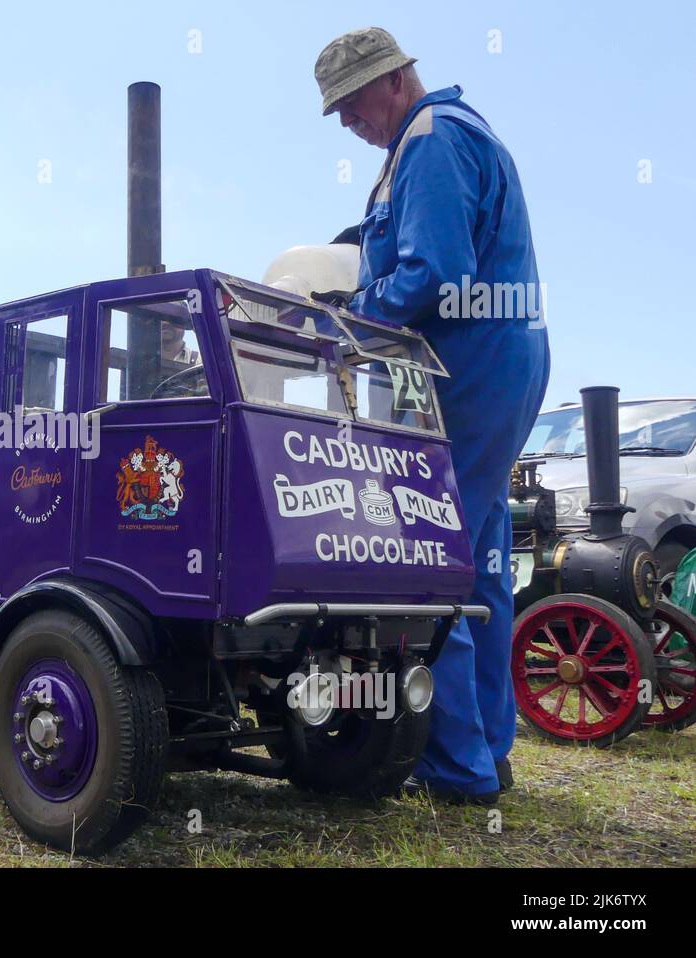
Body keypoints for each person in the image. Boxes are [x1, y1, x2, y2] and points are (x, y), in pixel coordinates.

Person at [314, 27, 551, 804]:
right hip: (496, 360)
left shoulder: (431, 142)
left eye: (351, 106)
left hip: (466, 368)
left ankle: (452, 766)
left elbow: (437, 273)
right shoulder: (453, 133)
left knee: (427, 559)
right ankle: (486, 749)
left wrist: (348, 318)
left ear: (392, 80)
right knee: (479, 565)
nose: (349, 124)